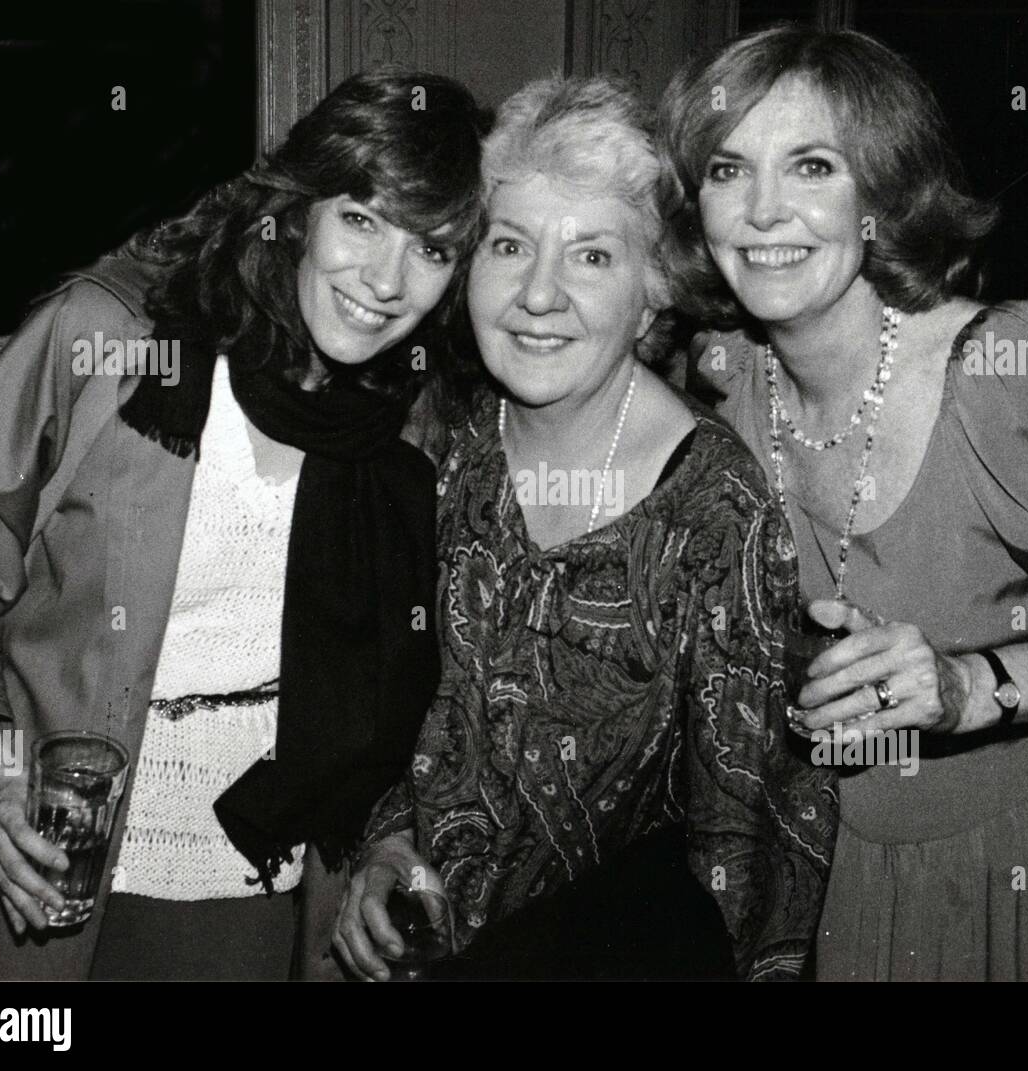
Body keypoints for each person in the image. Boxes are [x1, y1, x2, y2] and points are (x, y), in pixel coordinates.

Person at [656, 22, 1028, 981]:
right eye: (725, 170)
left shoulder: (1006, 372)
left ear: (883, 190)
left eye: (813, 166)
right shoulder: (732, 381)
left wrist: (973, 687)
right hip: (860, 866)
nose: (761, 212)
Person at [0, 70, 488, 980]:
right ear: (301, 211)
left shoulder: (410, 423)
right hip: (37, 876)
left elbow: (408, 691)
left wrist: (388, 837)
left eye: (431, 250)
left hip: (260, 889)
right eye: (361, 220)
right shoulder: (114, 342)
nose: (384, 281)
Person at [332, 76, 837, 982]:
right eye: (511, 244)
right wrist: (383, 844)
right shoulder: (437, 442)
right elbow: (386, 703)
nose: (538, 294)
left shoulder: (717, 510)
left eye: (592, 257)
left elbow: (748, 850)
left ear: (653, 296)